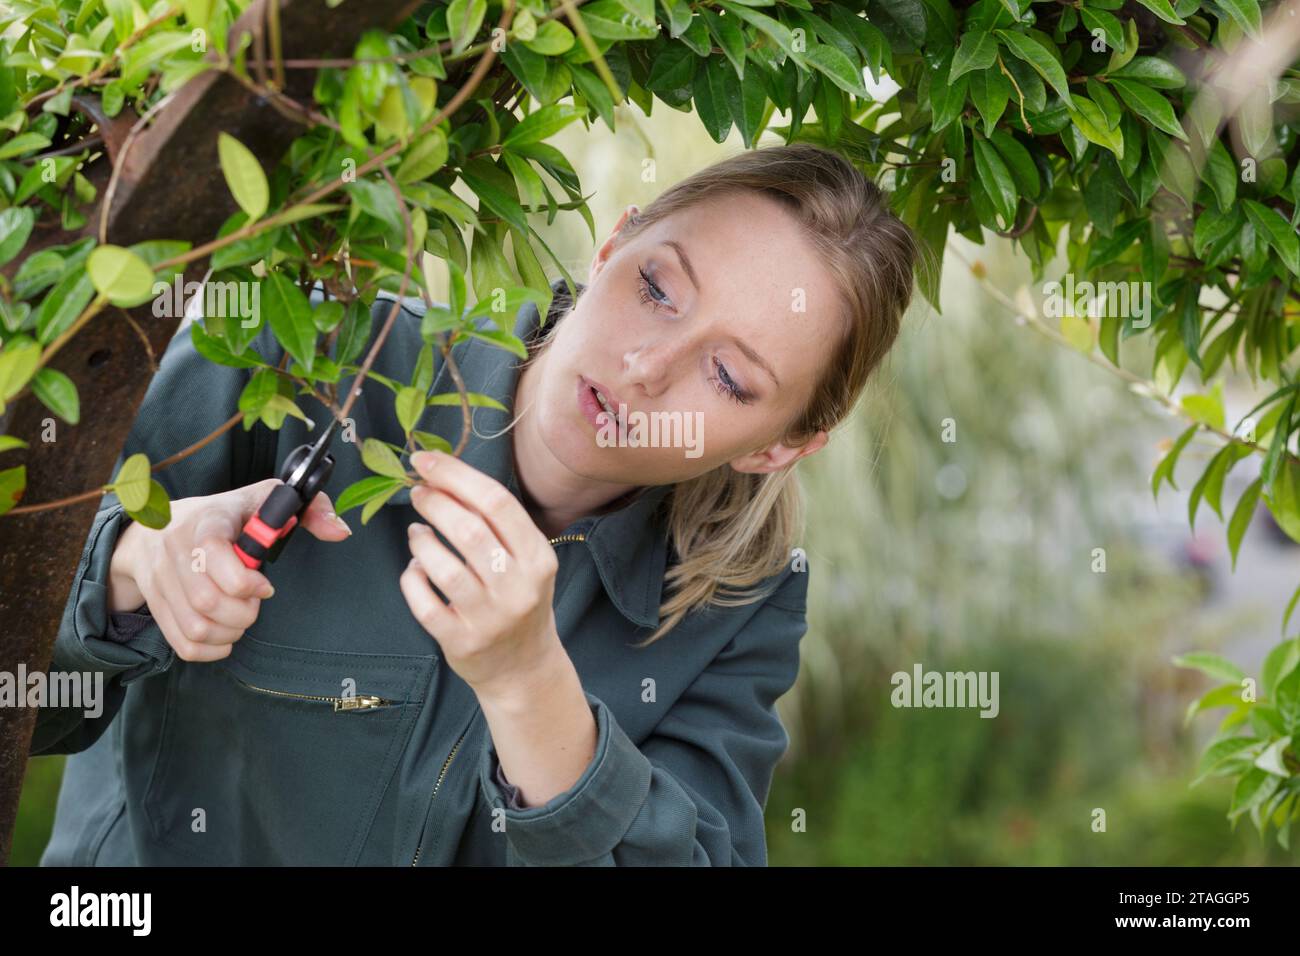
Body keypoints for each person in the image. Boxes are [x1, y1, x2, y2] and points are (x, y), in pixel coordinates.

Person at [33, 142, 919, 866]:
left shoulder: (739, 604)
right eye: (657, 288)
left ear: (780, 448)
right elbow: (27, 679)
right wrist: (126, 568)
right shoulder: (305, 358)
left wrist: (529, 685)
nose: (646, 369)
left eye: (727, 376)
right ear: (611, 245)